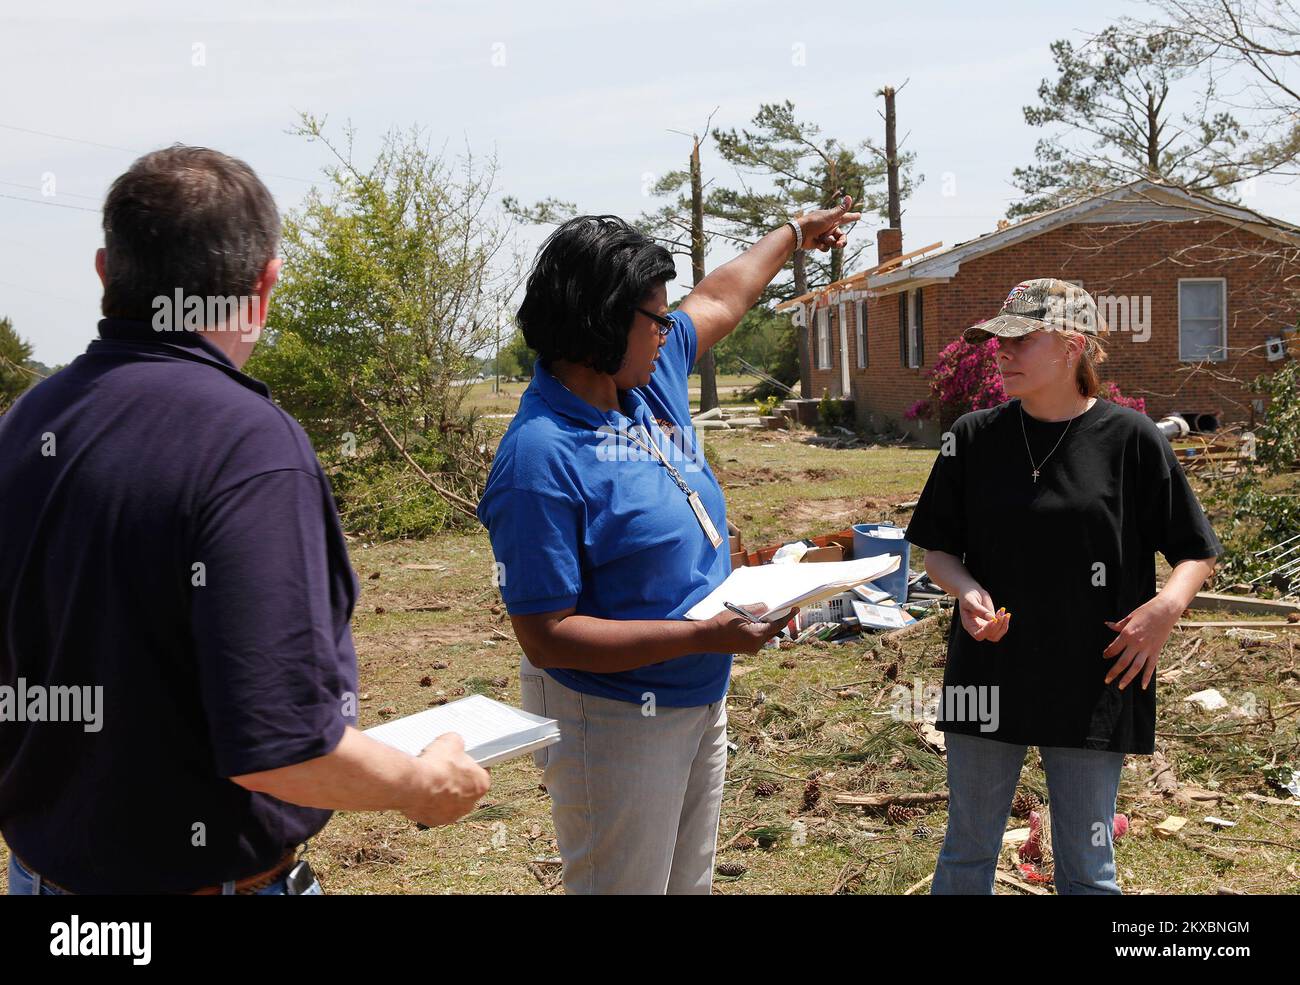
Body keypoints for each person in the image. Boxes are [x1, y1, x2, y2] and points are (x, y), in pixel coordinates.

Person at [0, 145, 489, 895]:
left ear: (105, 271)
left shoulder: (29, 421)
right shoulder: (247, 445)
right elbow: (281, 746)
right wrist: (421, 784)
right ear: (266, 281)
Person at [478, 200, 859, 894]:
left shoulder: (643, 385)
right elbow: (547, 634)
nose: (669, 331)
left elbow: (722, 294)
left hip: (696, 694)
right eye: (654, 318)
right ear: (600, 321)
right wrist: (699, 636)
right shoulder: (540, 456)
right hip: (613, 718)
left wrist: (794, 234)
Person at [905, 278, 1222, 895]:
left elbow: (1194, 550)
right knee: (967, 852)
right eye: (998, 340)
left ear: (1074, 347)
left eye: (1022, 340)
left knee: (1087, 865)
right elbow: (938, 549)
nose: (1002, 352)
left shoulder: (1132, 440)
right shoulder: (971, 438)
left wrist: (1165, 609)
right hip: (986, 674)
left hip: (1094, 674)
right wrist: (966, 592)